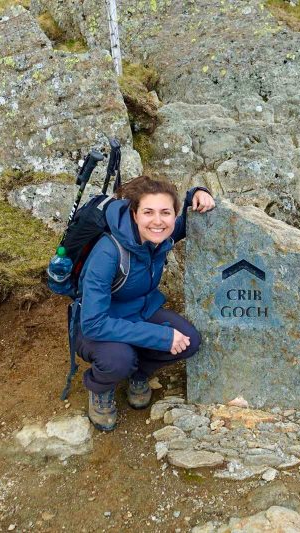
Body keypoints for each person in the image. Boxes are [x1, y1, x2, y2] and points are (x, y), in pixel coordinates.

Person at [76, 175, 216, 431]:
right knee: (119, 359)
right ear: (134, 213)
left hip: (139, 313)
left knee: (189, 341)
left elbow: (185, 219)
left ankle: (138, 374)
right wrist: (160, 337)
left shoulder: (160, 236)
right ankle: (100, 388)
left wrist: (198, 191)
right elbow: (94, 323)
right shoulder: (109, 252)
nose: (157, 221)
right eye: (148, 212)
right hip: (97, 326)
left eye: (165, 212)